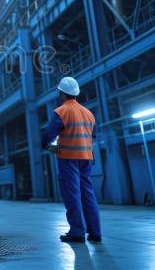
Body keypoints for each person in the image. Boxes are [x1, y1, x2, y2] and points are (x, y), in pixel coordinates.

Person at [41, 77, 102, 244]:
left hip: (68, 159)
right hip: (86, 158)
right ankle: (95, 233)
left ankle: (77, 232)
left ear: (62, 94)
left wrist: (50, 147)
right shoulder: (89, 113)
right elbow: (92, 135)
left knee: (72, 194)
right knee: (88, 194)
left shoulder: (61, 111)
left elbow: (48, 136)